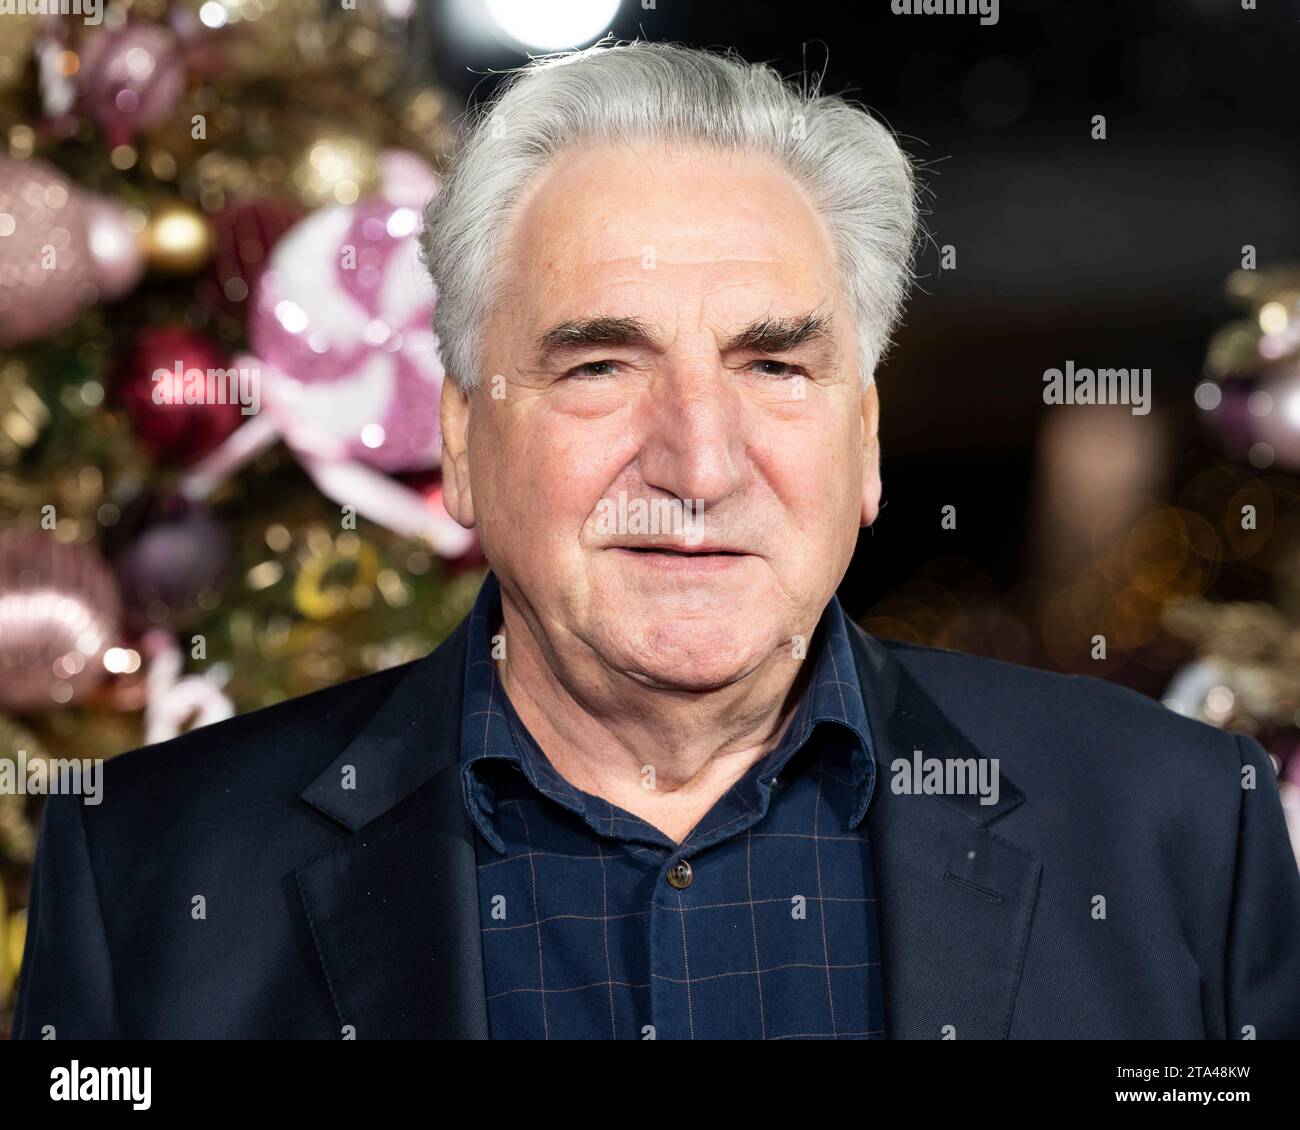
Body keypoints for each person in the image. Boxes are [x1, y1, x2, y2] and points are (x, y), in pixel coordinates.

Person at [13, 40, 1300, 1040]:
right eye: (600, 365)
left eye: (774, 365)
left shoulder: (1173, 829)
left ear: (862, 441)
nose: (696, 461)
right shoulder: (149, 869)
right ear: (460, 440)